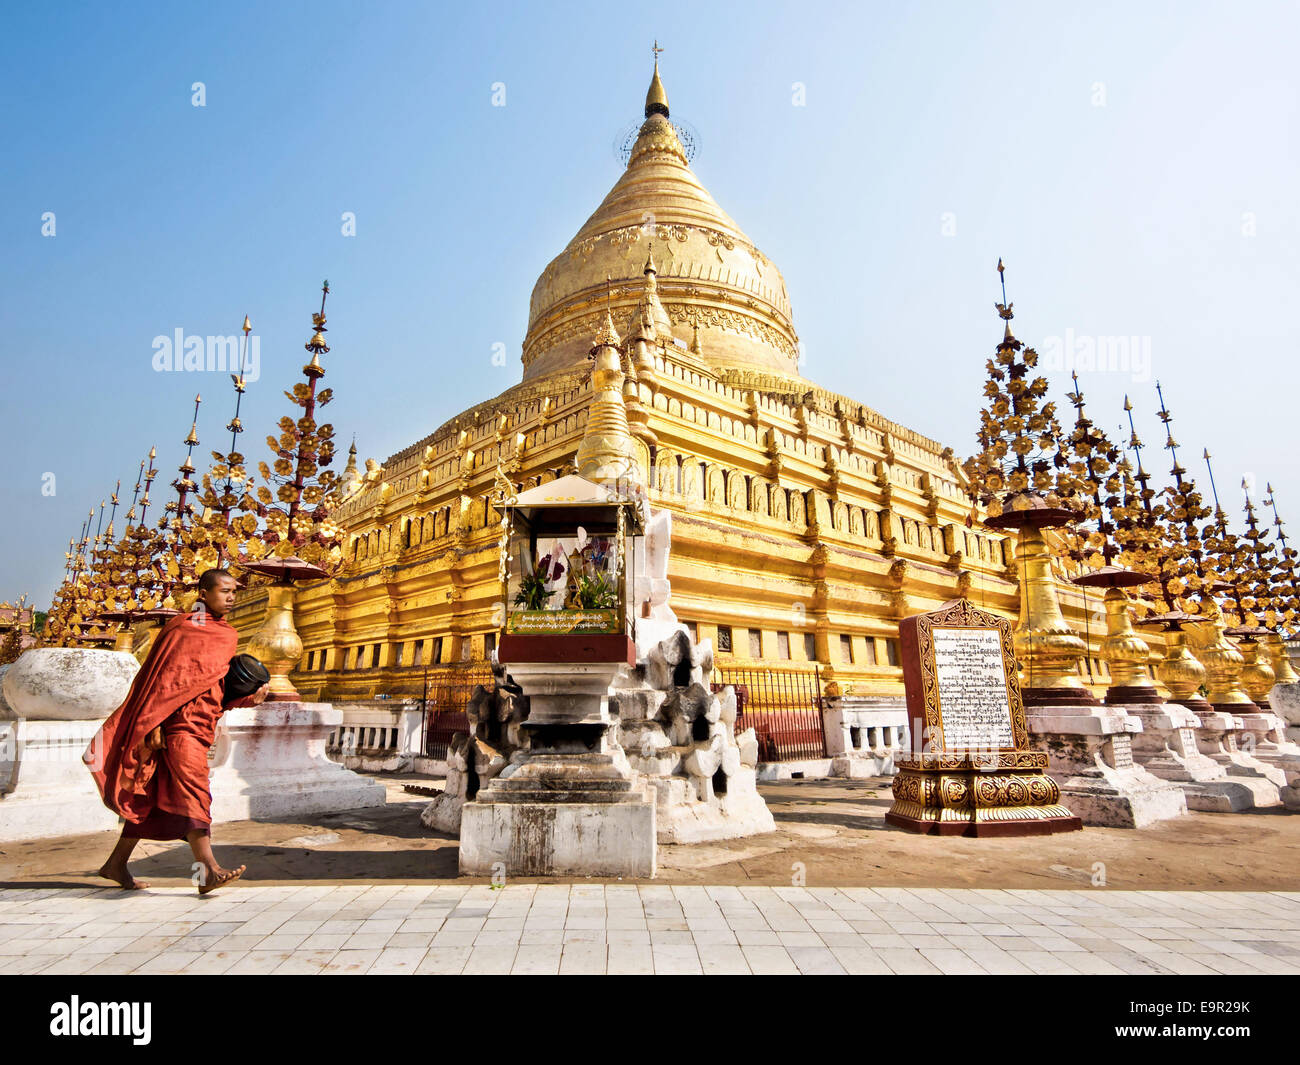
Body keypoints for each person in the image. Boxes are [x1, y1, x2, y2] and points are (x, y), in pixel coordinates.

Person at [85, 569, 269, 894]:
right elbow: (162, 684)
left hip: (201, 726)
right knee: (195, 793)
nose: (230, 598)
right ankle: (208, 871)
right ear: (203, 593)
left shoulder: (225, 635)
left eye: (234, 592)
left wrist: (247, 699)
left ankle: (116, 864)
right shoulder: (183, 629)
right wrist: (152, 723)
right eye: (224, 591)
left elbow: (215, 692)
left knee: (155, 800)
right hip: (177, 730)